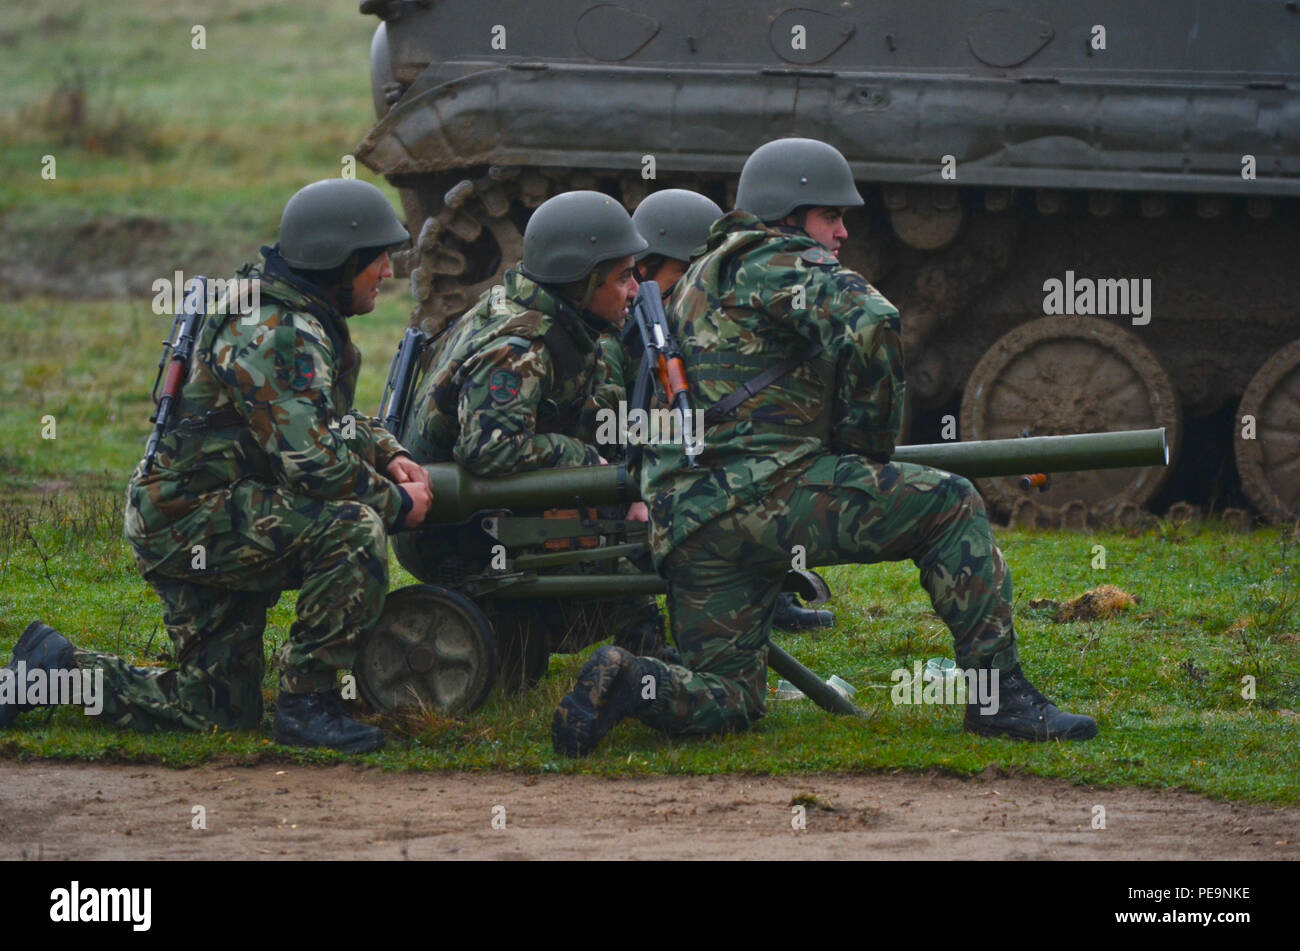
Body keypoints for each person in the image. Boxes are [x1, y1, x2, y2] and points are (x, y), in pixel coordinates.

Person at [551, 138, 1099, 756]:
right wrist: (867, 442)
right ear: (789, 215)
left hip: (693, 526)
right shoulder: (774, 258)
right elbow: (874, 319)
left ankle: (633, 680)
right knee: (951, 504)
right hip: (769, 500)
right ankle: (1004, 700)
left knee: (730, 696)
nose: (840, 233)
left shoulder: (698, 275)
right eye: (830, 216)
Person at [0, 179, 431, 753]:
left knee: (216, 714)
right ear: (338, 259)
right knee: (353, 529)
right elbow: (314, 465)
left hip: (213, 511)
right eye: (377, 257)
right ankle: (309, 704)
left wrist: (390, 452)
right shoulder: (276, 332)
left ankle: (53, 671)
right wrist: (397, 504)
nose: (387, 270)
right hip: (192, 520)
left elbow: (330, 421)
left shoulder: (296, 314)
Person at [400, 190, 676, 672]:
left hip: (486, 509)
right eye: (623, 277)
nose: (635, 289)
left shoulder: (559, 319)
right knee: (632, 549)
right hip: (454, 532)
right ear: (583, 281)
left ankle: (634, 641)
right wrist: (588, 462)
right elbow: (490, 451)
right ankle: (640, 648)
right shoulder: (520, 345)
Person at [629, 188, 832, 631]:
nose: (692, 289)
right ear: (643, 272)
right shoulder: (620, 340)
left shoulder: (706, 335)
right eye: (682, 273)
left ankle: (767, 593)